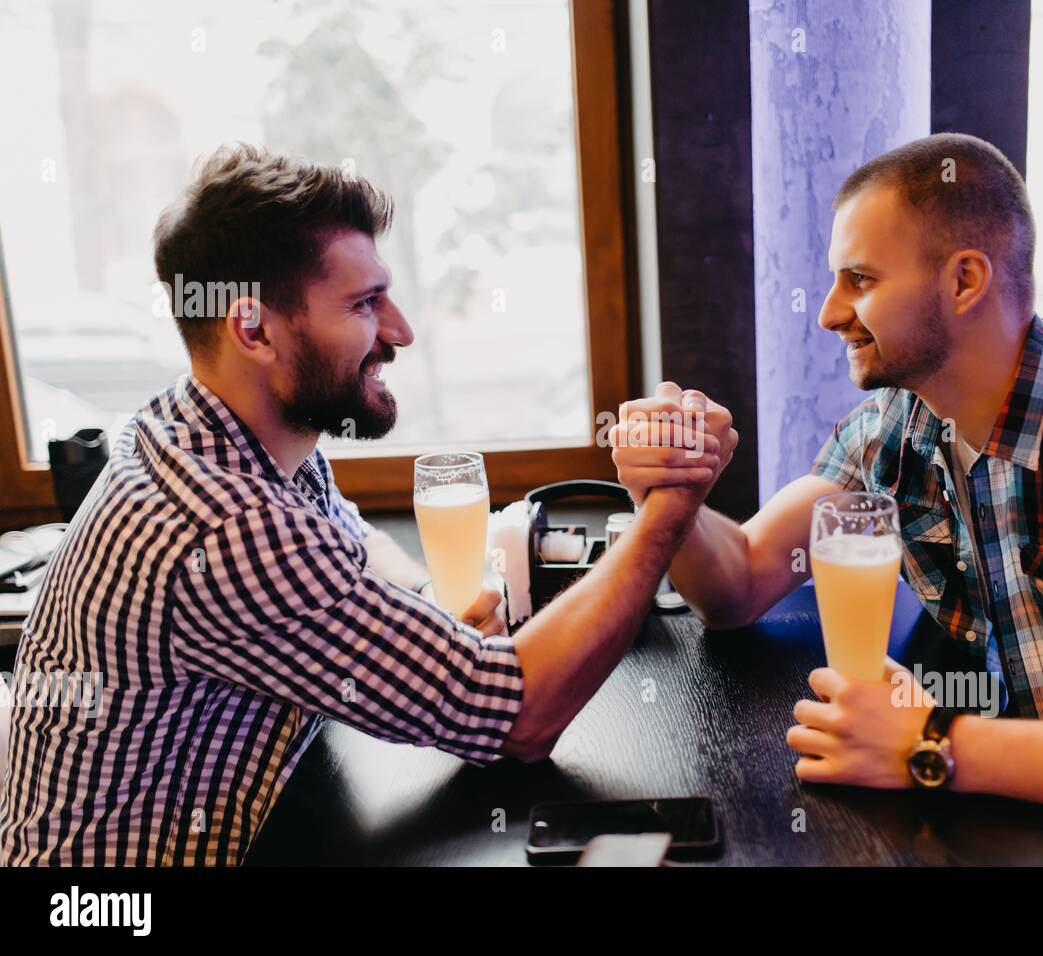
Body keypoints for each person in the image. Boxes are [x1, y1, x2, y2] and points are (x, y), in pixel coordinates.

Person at [0, 145, 722, 865]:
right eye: (364, 304)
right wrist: (668, 509)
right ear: (253, 330)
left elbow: (350, 545)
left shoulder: (205, 428)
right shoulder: (228, 525)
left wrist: (423, 606)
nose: (402, 330)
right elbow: (520, 718)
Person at [612, 133, 1043, 866]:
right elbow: (741, 582)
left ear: (965, 281)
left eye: (860, 280)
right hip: (1033, 830)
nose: (829, 314)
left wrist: (932, 743)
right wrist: (671, 493)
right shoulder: (896, 428)